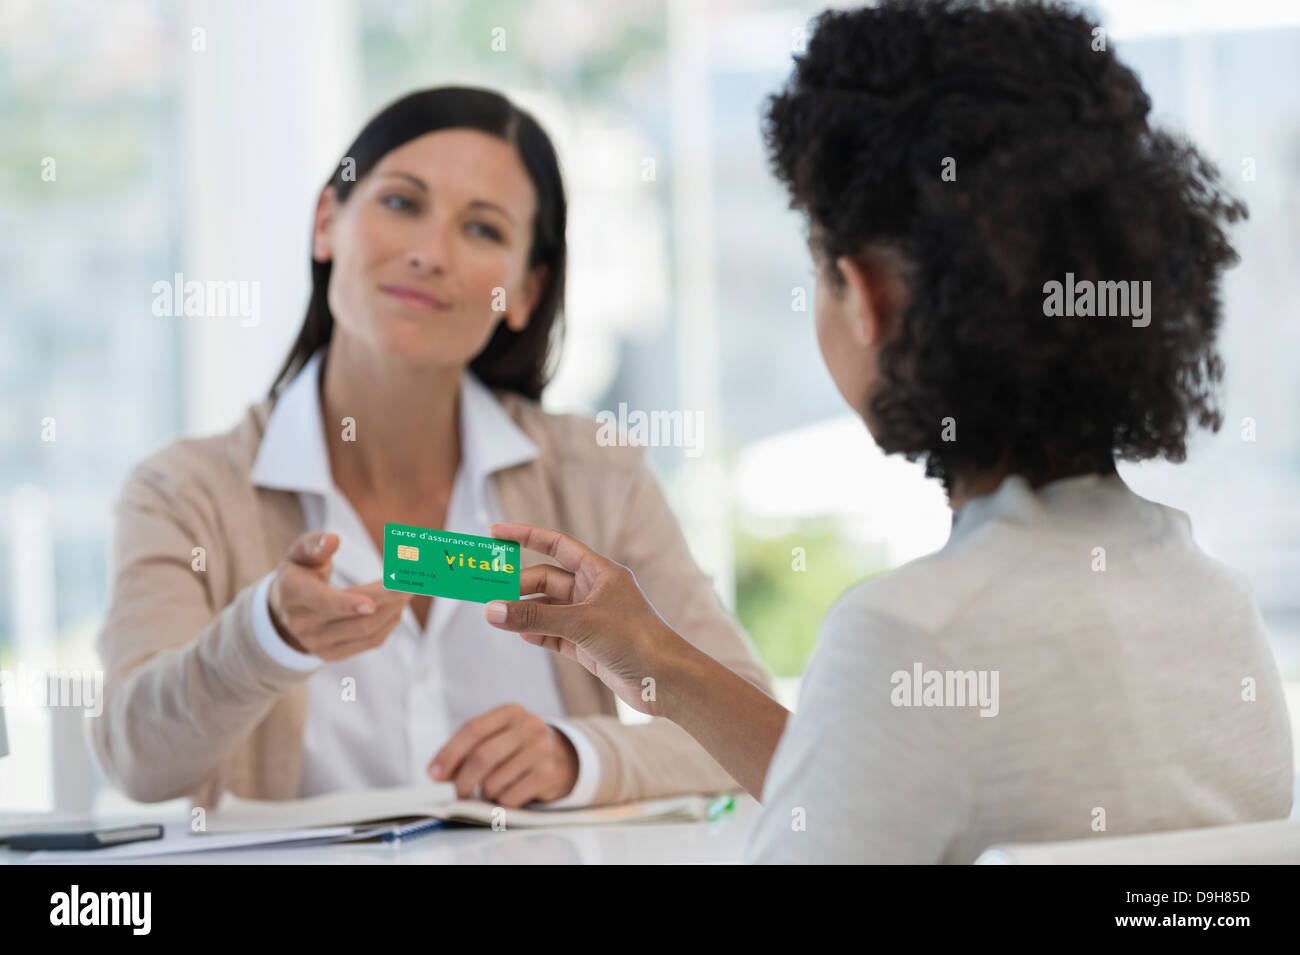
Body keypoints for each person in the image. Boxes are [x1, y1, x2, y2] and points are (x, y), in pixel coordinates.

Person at [478, 0, 1295, 862]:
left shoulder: (913, 632)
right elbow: (887, 790)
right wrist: (654, 655)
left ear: (864, 297)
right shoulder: (1219, 609)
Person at [90, 87, 770, 812]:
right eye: (401, 203)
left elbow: (744, 719)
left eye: (482, 229)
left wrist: (581, 758)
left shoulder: (598, 476)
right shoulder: (183, 491)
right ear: (327, 224)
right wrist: (264, 637)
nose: (429, 253)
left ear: (526, 292)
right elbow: (137, 759)